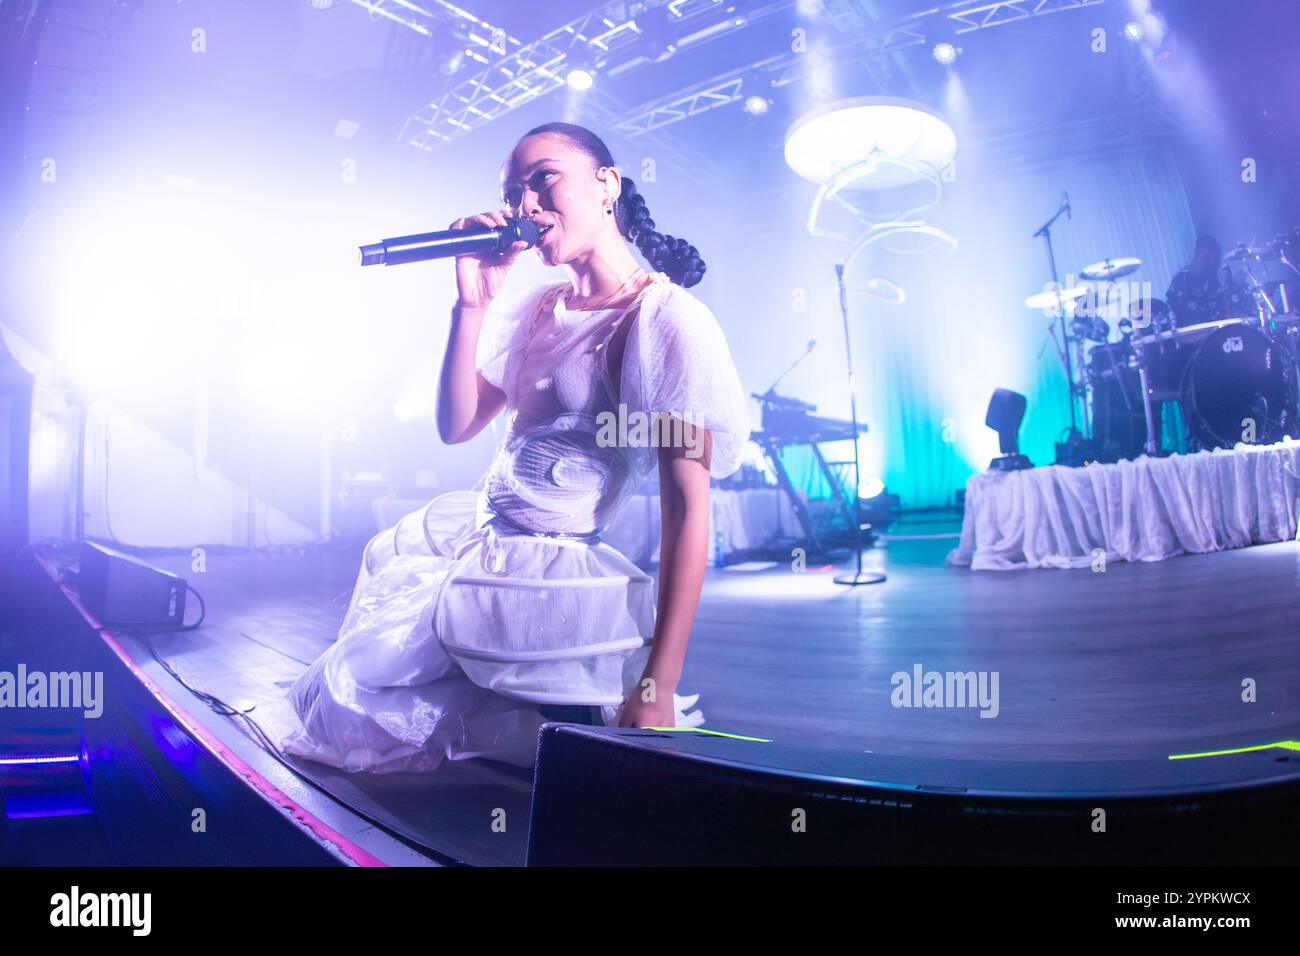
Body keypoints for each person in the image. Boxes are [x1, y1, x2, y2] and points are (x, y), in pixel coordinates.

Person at [276, 122, 751, 773]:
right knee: (355, 708)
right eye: (513, 190)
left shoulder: (661, 319)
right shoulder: (536, 308)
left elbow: (688, 508)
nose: (525, 204)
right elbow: (458, 422)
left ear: (606, 184)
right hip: (475, 547)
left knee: (543, 754)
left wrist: (657, 682)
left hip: (551, 575)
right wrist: (470, 300)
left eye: (543, 178)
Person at [1165, 235, 1247, 327]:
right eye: (1206, 257)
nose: (1211, 262)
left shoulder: (1214, 279)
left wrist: (1235, 286)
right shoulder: (1181, 282)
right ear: (1195, 254)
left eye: (1215, 259)